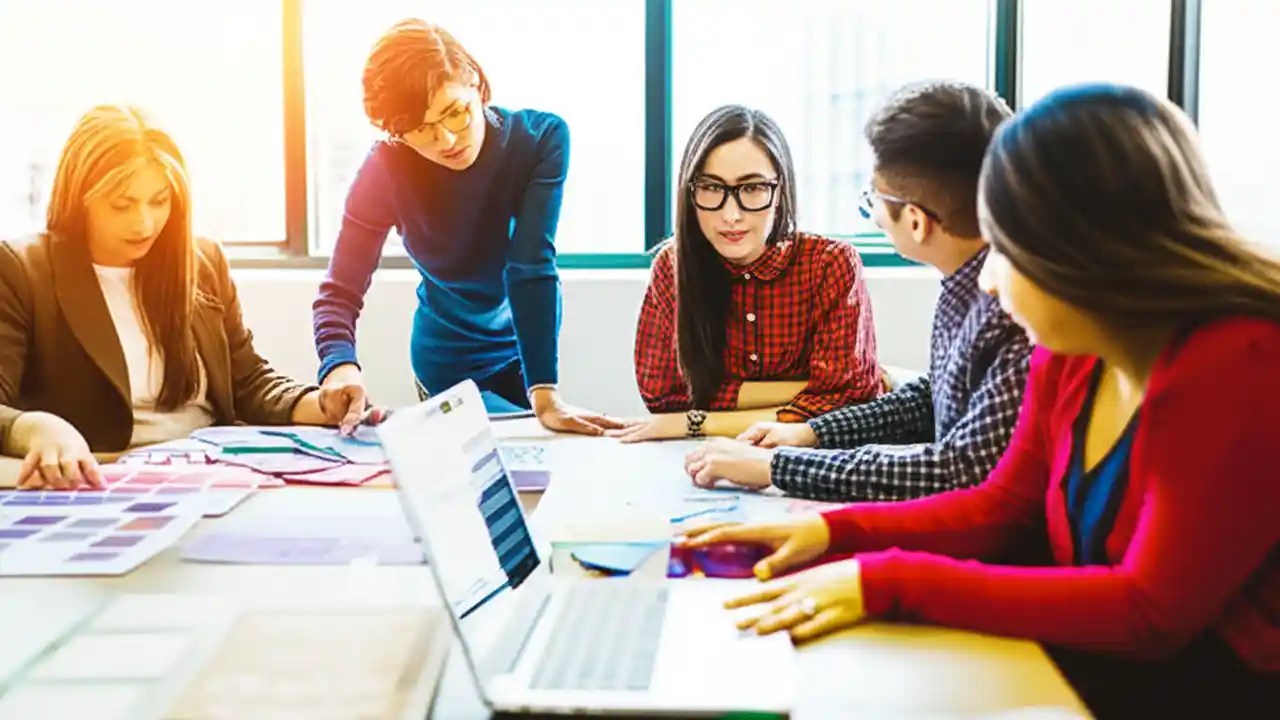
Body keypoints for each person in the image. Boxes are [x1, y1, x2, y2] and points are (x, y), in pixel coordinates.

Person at [681, 85, 1280, 717]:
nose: (990, 280)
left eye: (1007, 252)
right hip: (1091, 672)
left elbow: (1149, 612)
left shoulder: (1240, 363)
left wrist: (883, 579)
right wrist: (826, 531)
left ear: (1079, 255)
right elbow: (1002, 506)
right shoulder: (1072, 348)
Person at [684, 81, 1031, 501]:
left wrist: (778, 468)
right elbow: (931, 398)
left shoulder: (1016, 311)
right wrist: (808, 433)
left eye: (874, 198)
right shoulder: (964, 285)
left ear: (917, 222)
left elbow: (957, 469)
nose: (876, 217)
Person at [0, 106, 364, 490]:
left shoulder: (203, 260)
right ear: (79, 198)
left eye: (159, 201)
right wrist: (36, 428)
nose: (144, 223)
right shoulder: (23, 270)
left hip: (212, 471)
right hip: (106, 477)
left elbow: (248, 382)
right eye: (121, 205)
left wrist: (321, 403)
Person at [312, 19, 621, 435]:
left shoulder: (539, 140)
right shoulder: (385, 169)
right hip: (446, 364)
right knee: (478, 474)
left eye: (454, 113)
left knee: (540, 466)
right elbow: (339, 291)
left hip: (522, 356)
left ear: (474, 81)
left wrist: (544, 392)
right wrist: (338, 365)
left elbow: (530, 265)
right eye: (418, 131)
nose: (445, 140)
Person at [608, 105, 881, 443]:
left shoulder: (830, 264)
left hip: (813, 457)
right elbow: (664, 398)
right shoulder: (673, 266)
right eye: (711, 188)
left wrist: (696, 421)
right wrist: (803, 391)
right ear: (689, 193)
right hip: (700, 460)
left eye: (752, 189)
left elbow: (845, 402)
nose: (731, 215)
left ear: (780, 191)